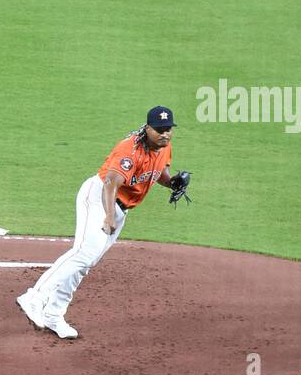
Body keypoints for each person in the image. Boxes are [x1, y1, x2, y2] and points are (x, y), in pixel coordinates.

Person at [16, 105, 190, 339]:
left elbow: (156, 173)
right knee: (83, 253)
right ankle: (34, 298)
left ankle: (54, 314)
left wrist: (173, 182)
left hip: (122, 209)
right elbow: (110, 183)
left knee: (85, 264)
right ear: (148, 128)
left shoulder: (164, 147)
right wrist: (108, 216)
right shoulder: (129, 150)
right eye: (159, 129)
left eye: (168, 129)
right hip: (99, 198)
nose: (165, 134)